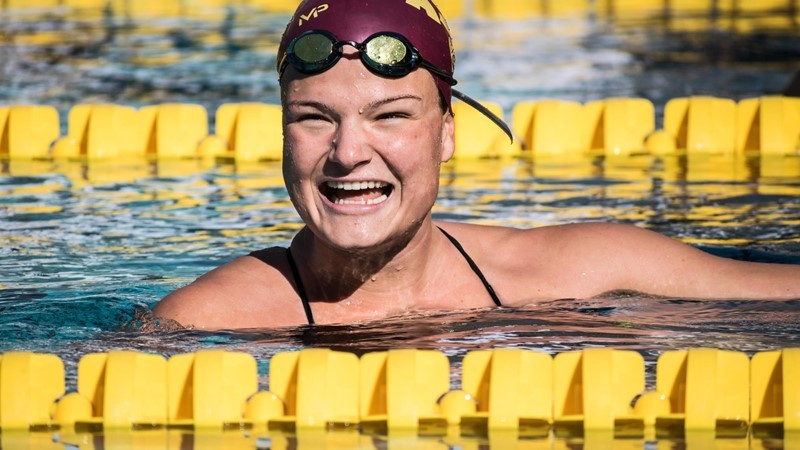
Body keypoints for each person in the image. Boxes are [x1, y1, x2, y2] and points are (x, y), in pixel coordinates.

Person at [153, 0, 800, 330]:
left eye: (390, 115)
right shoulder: (205, 322)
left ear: (447, 136)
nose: (348, 153)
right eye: (315, 117)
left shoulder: (592, 270)